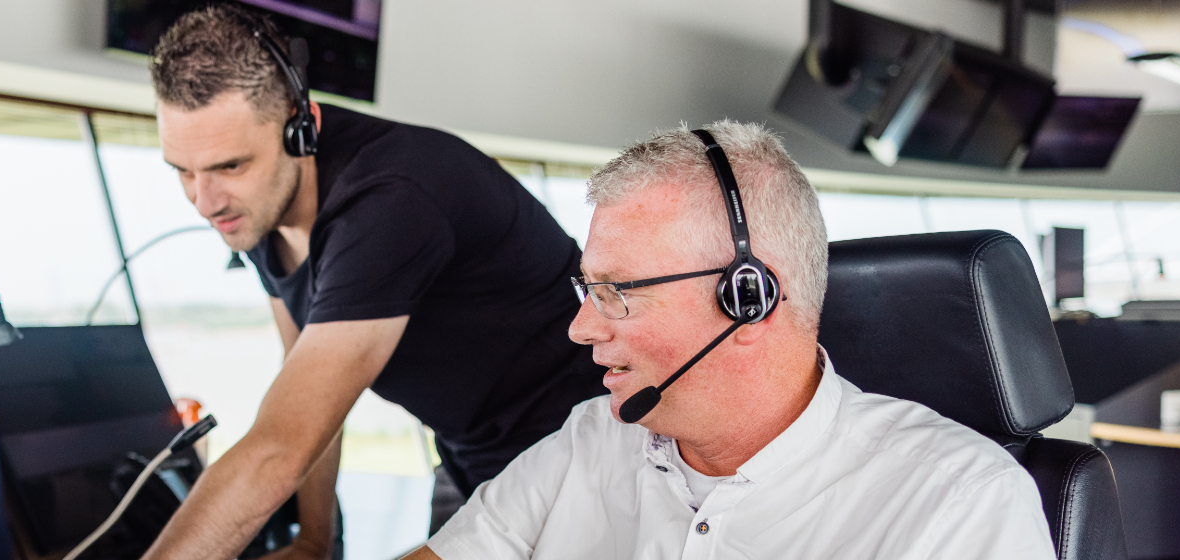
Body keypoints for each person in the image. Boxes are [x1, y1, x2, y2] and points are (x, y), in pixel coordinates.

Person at [408, 121, 1056, 559]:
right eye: (589, 288)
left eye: (618, 292)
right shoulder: (594, 439)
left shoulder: (961, 503)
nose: (582, 327)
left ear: (748, 300)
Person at [140, 5, 605, 559]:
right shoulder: (259, 213)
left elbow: (277, 450)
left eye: (230, 166)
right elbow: (306, 401)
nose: (205, 201)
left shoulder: (391, 197)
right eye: (183, 171)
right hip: (468, 452)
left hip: (584, 449)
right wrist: (313, 542)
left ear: (300, 125)